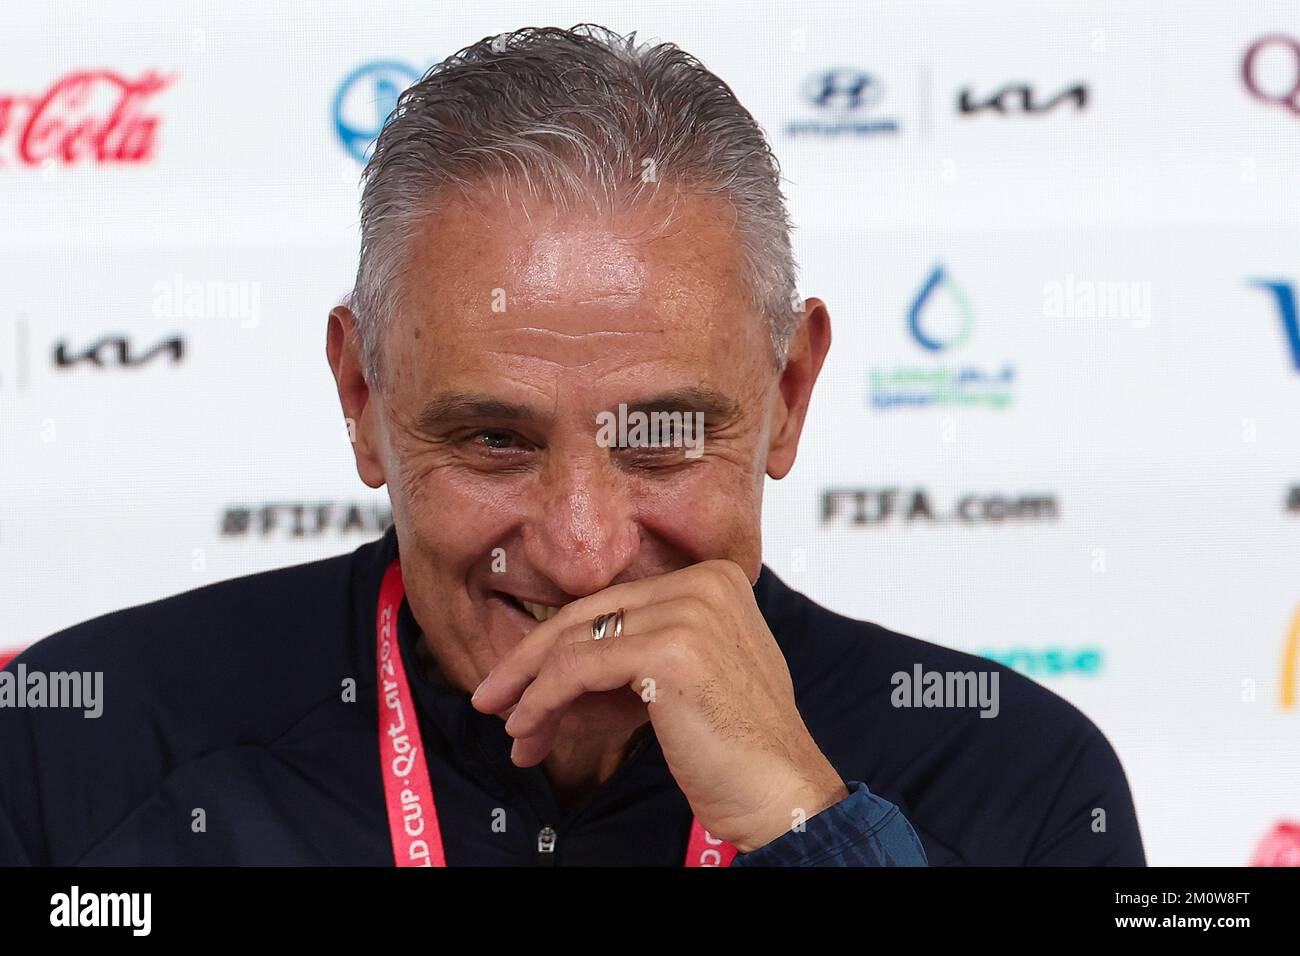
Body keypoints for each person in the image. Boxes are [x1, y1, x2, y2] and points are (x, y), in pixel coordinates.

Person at [0, 24, 1143, 866]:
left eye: (661, 440)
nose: (585, 552)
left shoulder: (1022, 783)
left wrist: (815, 830)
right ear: (362, 395)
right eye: (494, 438)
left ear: (788, 393)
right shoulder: (78, 752)